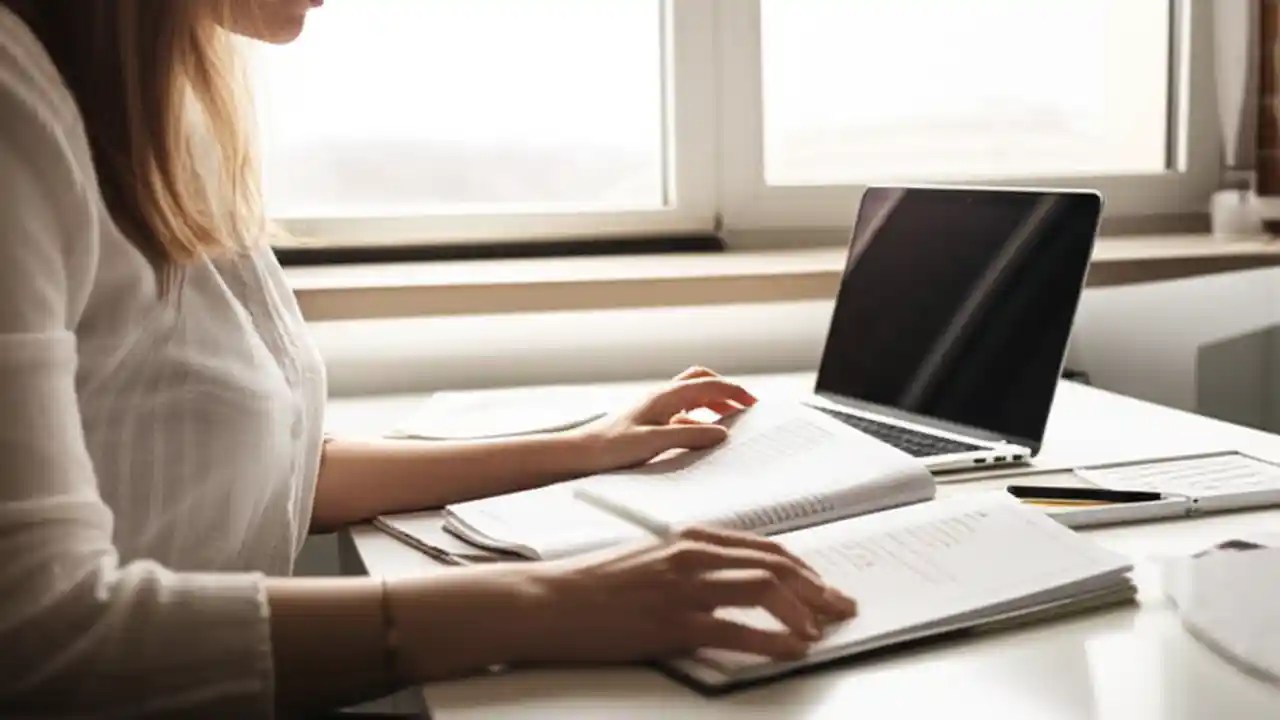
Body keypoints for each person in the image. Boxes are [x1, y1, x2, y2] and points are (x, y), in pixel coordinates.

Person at [0, 1, 857, 717]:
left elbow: (282, 475)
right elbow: (40, 637)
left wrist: (580, 447)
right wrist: (559, 604)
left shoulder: (160, 111)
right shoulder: (16, 106)